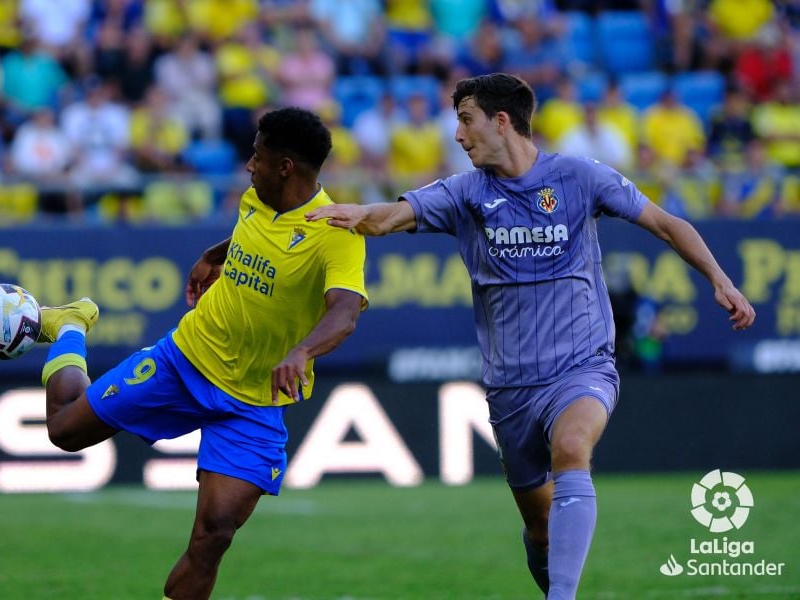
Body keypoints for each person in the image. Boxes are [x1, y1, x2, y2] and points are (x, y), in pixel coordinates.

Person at [306, 73, 756, 600]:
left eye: (466, 120)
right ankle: (551, 578)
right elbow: (390, 218)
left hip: (582, 365)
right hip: (511, 387)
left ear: (501, 121)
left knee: (571, 447)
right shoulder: (463, 192)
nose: (458, 135)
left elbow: (665, 223)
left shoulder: (580, 177)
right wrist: (361, 214)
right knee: (541, 530)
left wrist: (721, 280)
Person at [34, 107, 367, 600]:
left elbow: (345, 310)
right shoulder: (255, 199)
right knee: (64, 431)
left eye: (257, 157)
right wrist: (217, 254)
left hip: (253, 403)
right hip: (184, 361)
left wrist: (301, 351)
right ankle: (69, 326)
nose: (249, 167)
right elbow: (255, 237)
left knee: (214, 535)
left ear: (286, 167)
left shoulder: (336, 233)